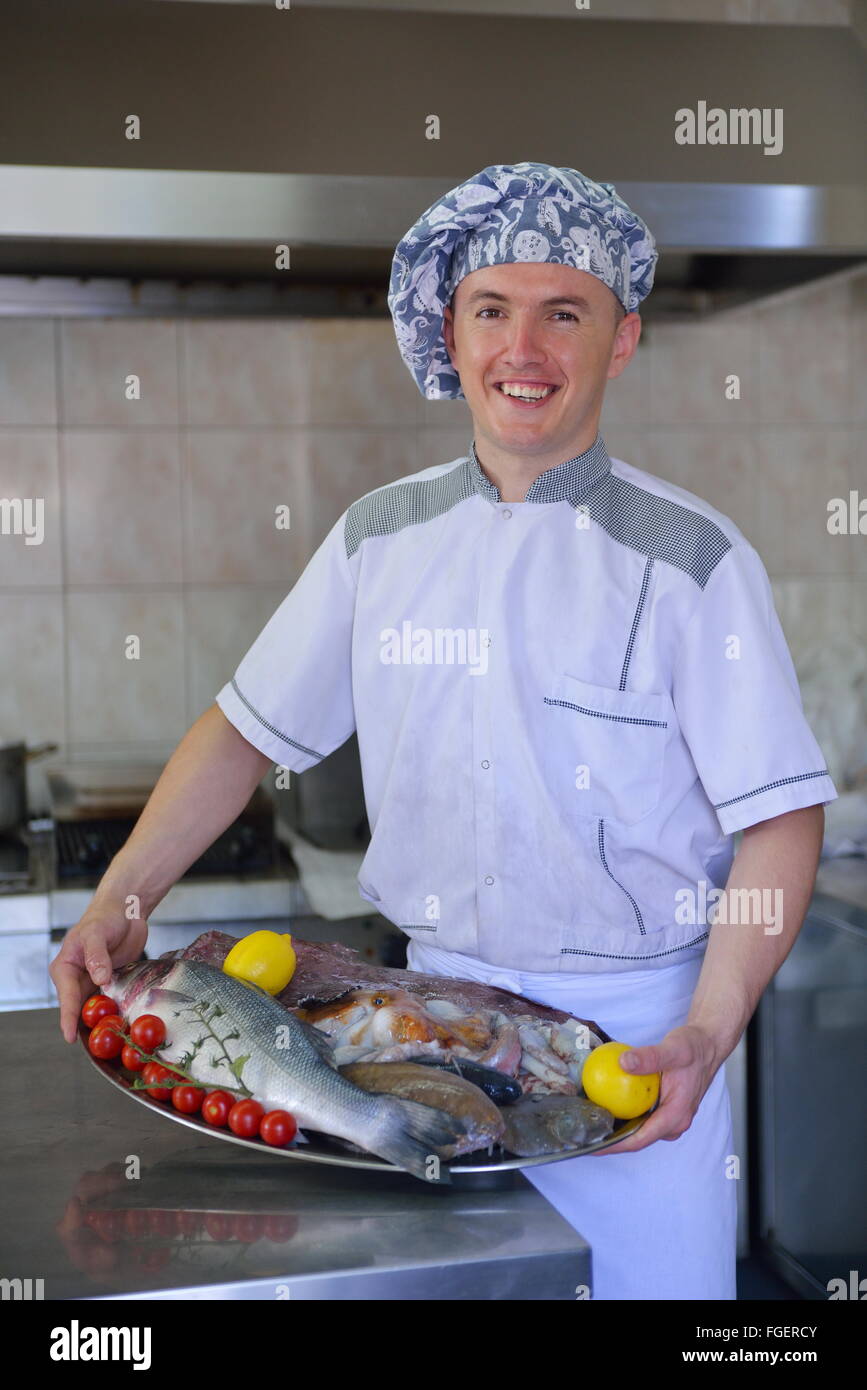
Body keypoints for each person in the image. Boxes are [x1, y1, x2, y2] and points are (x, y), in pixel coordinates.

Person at [51, 162, 836, 1301]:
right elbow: (242, 731)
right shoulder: (380, 540)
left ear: (621, 341)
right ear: (451, 335)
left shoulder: (693, 563)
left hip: (637, 1063)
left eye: (563, 313)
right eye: (491, 311)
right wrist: (120, 901)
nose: (524, 349)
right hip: (405, 1028)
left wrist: (711, 1032)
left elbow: (781, 818)